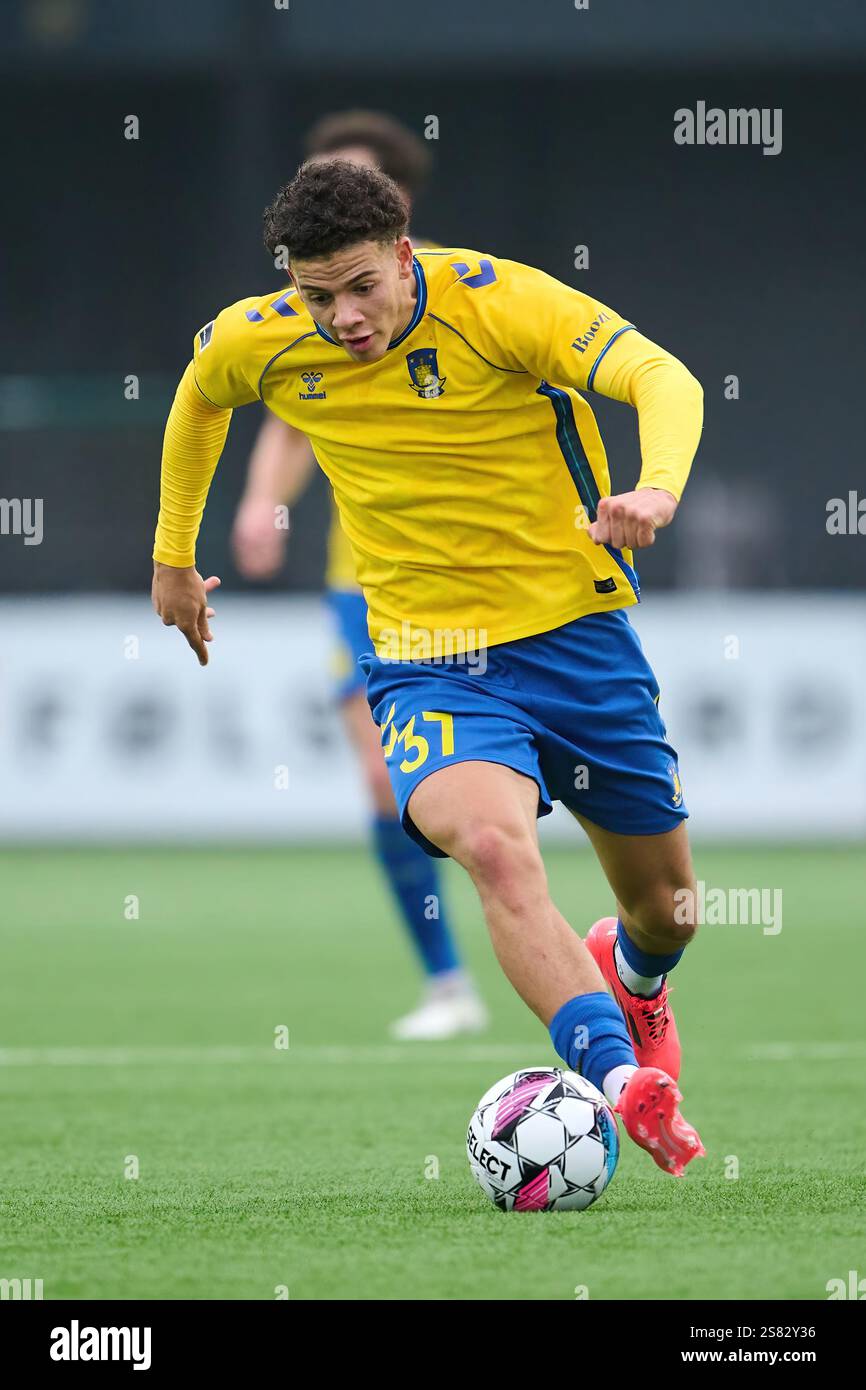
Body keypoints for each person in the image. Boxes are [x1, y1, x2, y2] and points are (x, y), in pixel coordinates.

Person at [152, 158, 706, 1175]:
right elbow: (198, 400)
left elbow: (659, 376)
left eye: (362, 286)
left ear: (404, 254)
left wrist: (657, 489)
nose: (344, 317)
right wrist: (173, 558)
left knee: (666, 908)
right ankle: (617, 1077)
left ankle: (633, 975)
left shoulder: (502, 303)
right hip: (422, 654)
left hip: (574, 638)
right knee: (493, 849)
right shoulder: (262, 335)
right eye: (318, 295)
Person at [232, 112, 486, 1042]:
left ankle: (582, 939)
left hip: (500, 581)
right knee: (387, 781)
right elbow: (290, 412)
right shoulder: (316, 315)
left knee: (516, 789)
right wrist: (264, 501)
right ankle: (447, 981)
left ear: (399, 209)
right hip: (370, 584)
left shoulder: (465, 298)